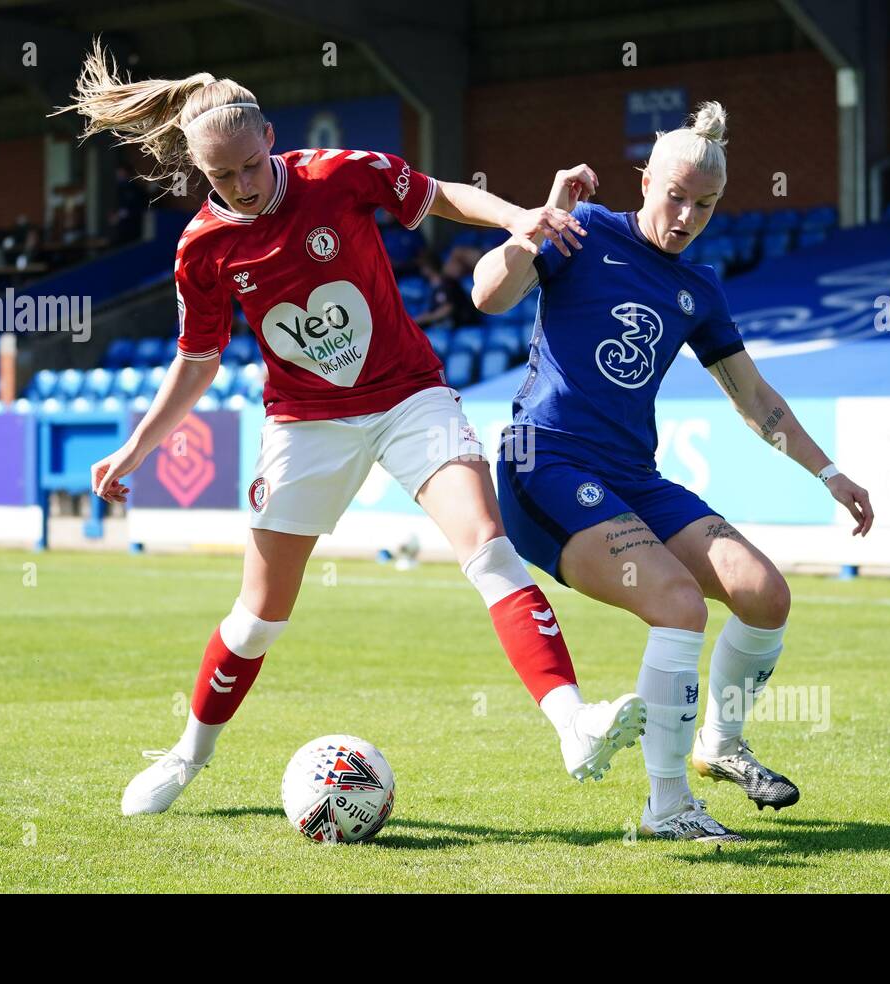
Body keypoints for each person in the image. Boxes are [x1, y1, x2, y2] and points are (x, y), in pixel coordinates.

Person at [52, 40, 649, 817]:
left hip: (410, 397)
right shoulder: (203, 247)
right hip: (304, 424)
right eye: (219, 176)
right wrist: (136, 445)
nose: (239, 185)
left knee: (488, 547)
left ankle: (574, 723)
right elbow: (197, 359)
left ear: (270, 137)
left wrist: (522, 219)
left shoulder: (339, 174)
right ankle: (186, 756)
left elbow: (442, 196)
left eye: (247, 165)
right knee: (260, 618)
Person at [472, 102, 875, 842]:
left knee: (763, 593)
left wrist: (829, 474)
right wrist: (534, 226)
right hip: (545, 461)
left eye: (706, 205)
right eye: (675, 196)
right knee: (679, 604)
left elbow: (755, 399)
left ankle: (718, 744)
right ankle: (668, 807)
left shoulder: (700, 287)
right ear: (646, 179)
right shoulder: (584, 228)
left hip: (632, 474)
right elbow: (488, 294)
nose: (686, 215)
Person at [413, 252, 479, 328]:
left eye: (423, 266)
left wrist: (427, 318)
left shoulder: (448, 283)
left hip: (459, 324)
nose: (421, 269)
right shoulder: (429, 284)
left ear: (430, 266)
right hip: (441, 325)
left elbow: (448, 308)